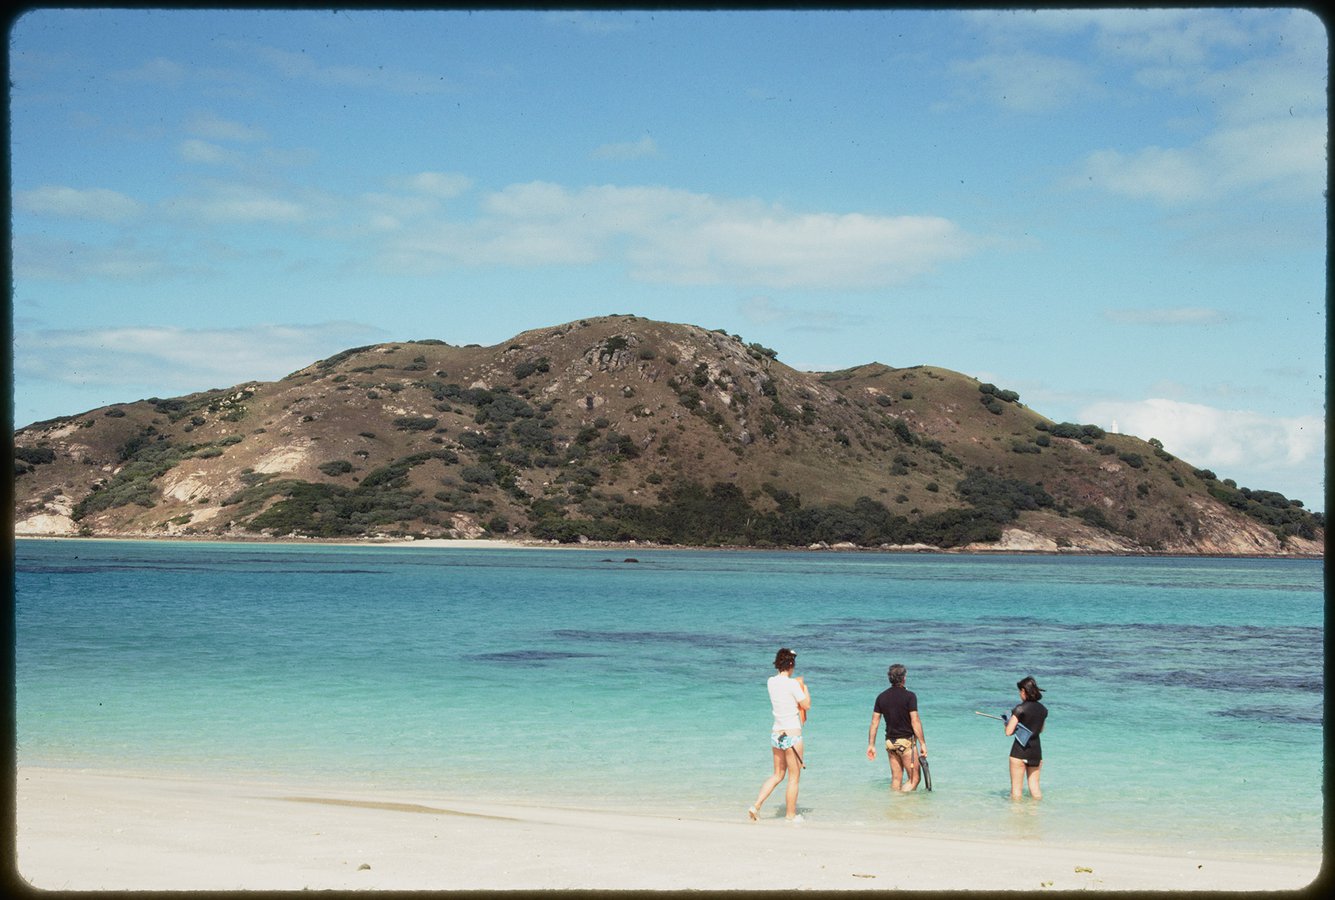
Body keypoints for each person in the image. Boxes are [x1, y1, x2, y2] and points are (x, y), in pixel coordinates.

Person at [748, 647, 811, 822]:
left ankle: (756, 805)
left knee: (777, 775)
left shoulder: (771, 682)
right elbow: (806, 705)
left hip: (776, 734)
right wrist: (804, 687)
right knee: (794, 778)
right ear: (791, 664)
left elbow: (784, 689)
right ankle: (790, 815)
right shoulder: (793, 684)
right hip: (792, 735)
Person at [866, 663, 928, 791]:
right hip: (906, 743)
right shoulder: (910, 696)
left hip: (890, 743)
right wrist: (922, 743)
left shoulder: (881, 697)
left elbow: (874, 723)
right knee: (914, 780)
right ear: (904, 678)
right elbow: (915, 720)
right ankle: (902, 801)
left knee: (896, 779)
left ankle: (895, 802)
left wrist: (871, 745)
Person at [1005, 675, 1048, 800]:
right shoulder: (1043, 709)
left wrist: (1007, 723)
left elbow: (1008, 732)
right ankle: (1037, 810)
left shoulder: (1020, 709)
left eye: (1020, 691)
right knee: (1035, 789)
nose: (1019, 694)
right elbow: (1040, 730)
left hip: (1019, 751)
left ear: (1024, 691)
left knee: (1016, 791)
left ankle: (1016, 812)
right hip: (1036, 751)